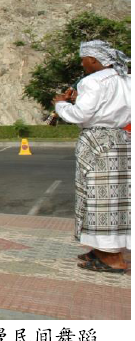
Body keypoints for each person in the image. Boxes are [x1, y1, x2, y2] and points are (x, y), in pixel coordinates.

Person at [54, 40, 130, 273]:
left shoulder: (92, 82)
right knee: (117, 199)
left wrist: (61, 106)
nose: (82, 63)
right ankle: (102, 250)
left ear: (95, 60)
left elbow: (81, 115)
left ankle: (111, 257)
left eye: (84, 58)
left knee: (97, 199)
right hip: (120, 140)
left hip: (97, 142)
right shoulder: (127, 80)